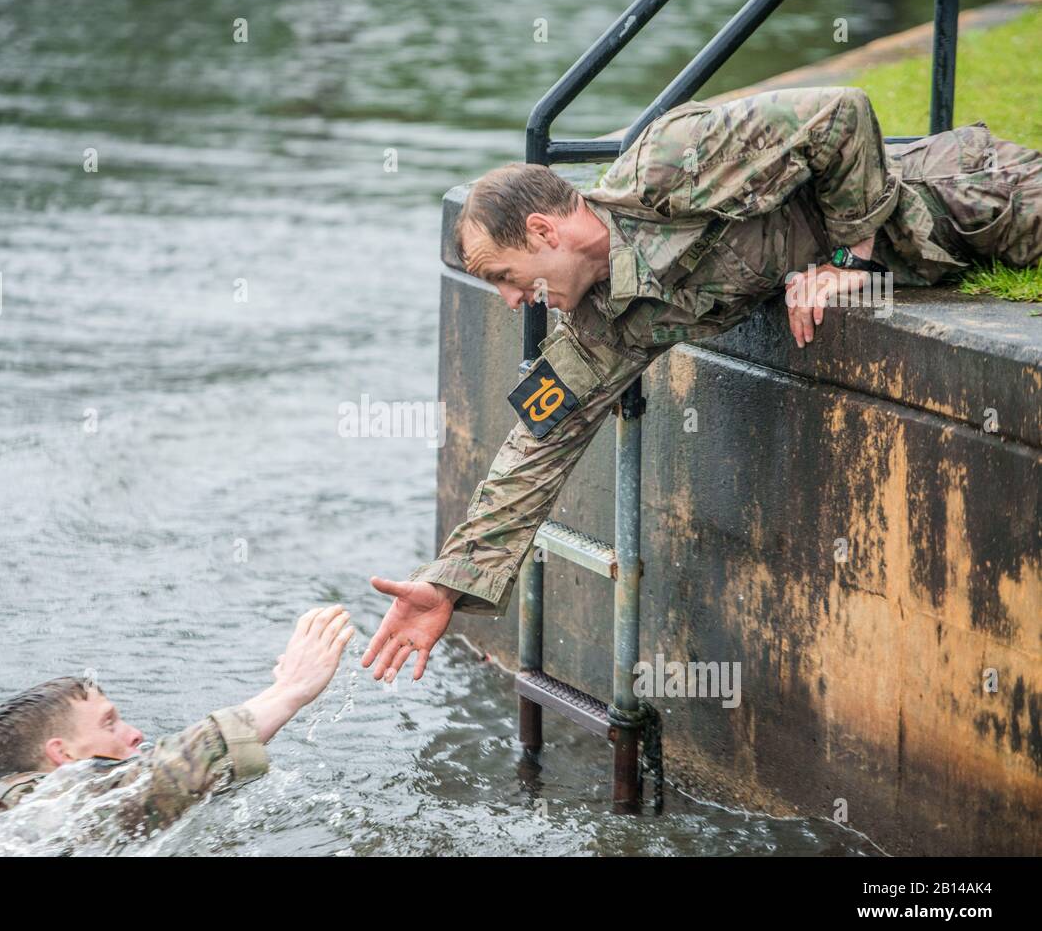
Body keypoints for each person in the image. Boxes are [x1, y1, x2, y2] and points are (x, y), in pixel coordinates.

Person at [360, 86, 1042, 683]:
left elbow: (841, 115)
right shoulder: (602, 325)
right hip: (934, 253)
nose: (512, 302)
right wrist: (446, 582)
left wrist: (845, 260)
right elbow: (534, 445)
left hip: (974, 198)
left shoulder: (668, 165)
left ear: (543, 230)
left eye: (505, 277)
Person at [0, 604, 353, 836]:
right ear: (62, 753)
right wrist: (289, 691)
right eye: (109, 724)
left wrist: (278, 697)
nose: (135, 734)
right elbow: (157, 781)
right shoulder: (34, 810)